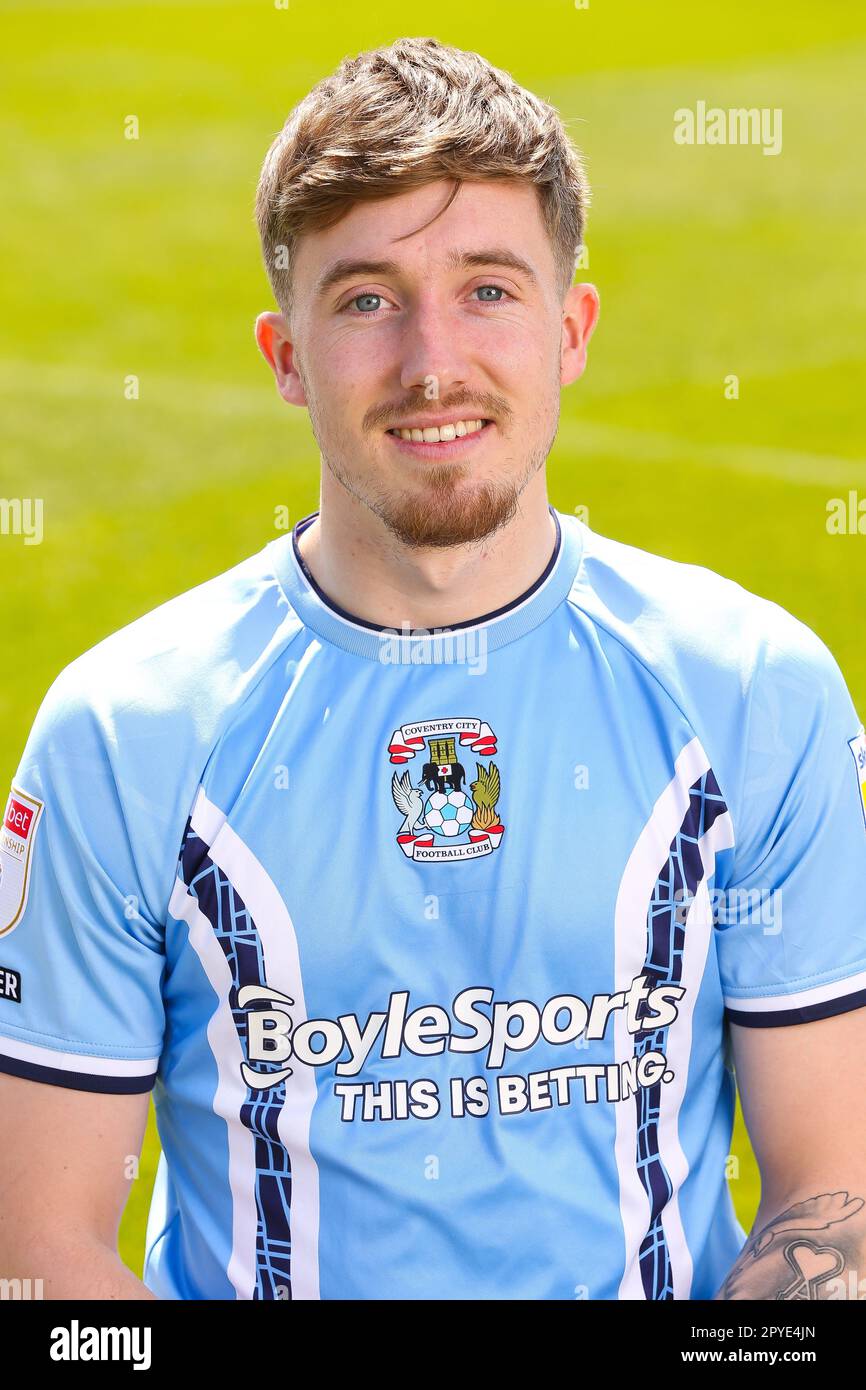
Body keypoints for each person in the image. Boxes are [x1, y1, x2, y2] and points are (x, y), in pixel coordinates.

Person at [1, 35, 865, 1303]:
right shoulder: (120, 731)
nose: (429, 364)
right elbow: (41, 1261)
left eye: (487, 290)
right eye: (363, 299)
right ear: (284, 357)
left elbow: (825, 1203)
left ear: (570, 330)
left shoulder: (755, 688)